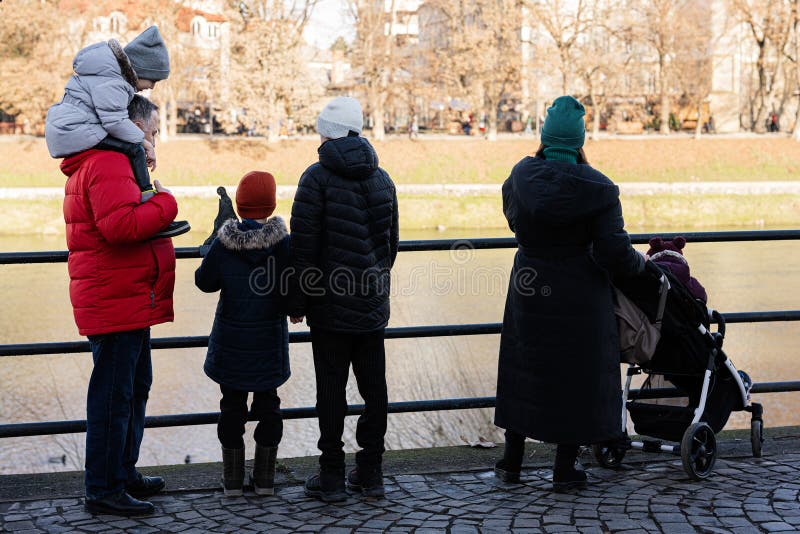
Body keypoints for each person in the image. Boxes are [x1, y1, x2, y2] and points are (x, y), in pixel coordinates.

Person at [494, 95, 645, 492]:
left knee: (524, 367)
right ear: (580, 140)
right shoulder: (598, 189)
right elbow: (614, 252)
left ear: (544, 136)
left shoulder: (519, 178)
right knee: (576, 374)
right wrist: (643, 269)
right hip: (580, 292)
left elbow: (513, 220)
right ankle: (565, 467)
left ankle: (511, 461)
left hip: (529, 285)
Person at [62, 95, 178, 516]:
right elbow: (122, 227)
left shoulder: (115, 163)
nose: (155, 141)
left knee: (133, 389)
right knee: (114, 397)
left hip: (126, 295)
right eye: (152, 132)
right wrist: (167, 202)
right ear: (131, 127)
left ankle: (122, 473)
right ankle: (104, 489)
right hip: (115, 299)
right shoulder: (107, 165)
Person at [289, 96, 399, 502]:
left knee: (331, 389)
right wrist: (373, 282)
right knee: (375, 388)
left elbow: (303, 250)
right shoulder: (382, 179)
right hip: (371, 305)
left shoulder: (315, 179)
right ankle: (371, 472)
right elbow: (391, 247)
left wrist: (298, 303)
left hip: (329, 308)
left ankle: (331, 476)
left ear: (327, 132)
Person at [195, 171, 291, 497]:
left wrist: (212, 245)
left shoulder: (225, 243)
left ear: (238, 203)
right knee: (270, 407)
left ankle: (233, 482)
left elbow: (204, 282)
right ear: (273, 204)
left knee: (231, 408)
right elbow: (294, 290)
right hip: (268, 344)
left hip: (232, 344)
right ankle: (264, 481)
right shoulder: (284, 244)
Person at [46, 26, 189, 238]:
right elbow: (114, 121)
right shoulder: (114, 82)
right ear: (142, 70)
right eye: (154, 80)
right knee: (134, 150)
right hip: (74, 131)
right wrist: (145, 143)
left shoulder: (107, 75)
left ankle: (148, 198)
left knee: (133, 148)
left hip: (70, 130)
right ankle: (149, 198)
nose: (151, 87)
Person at [646, 236, 707, 303]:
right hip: (681, 311)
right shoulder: (688, 279)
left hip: (653, 311)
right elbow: (702, 297)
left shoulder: (647, 274)